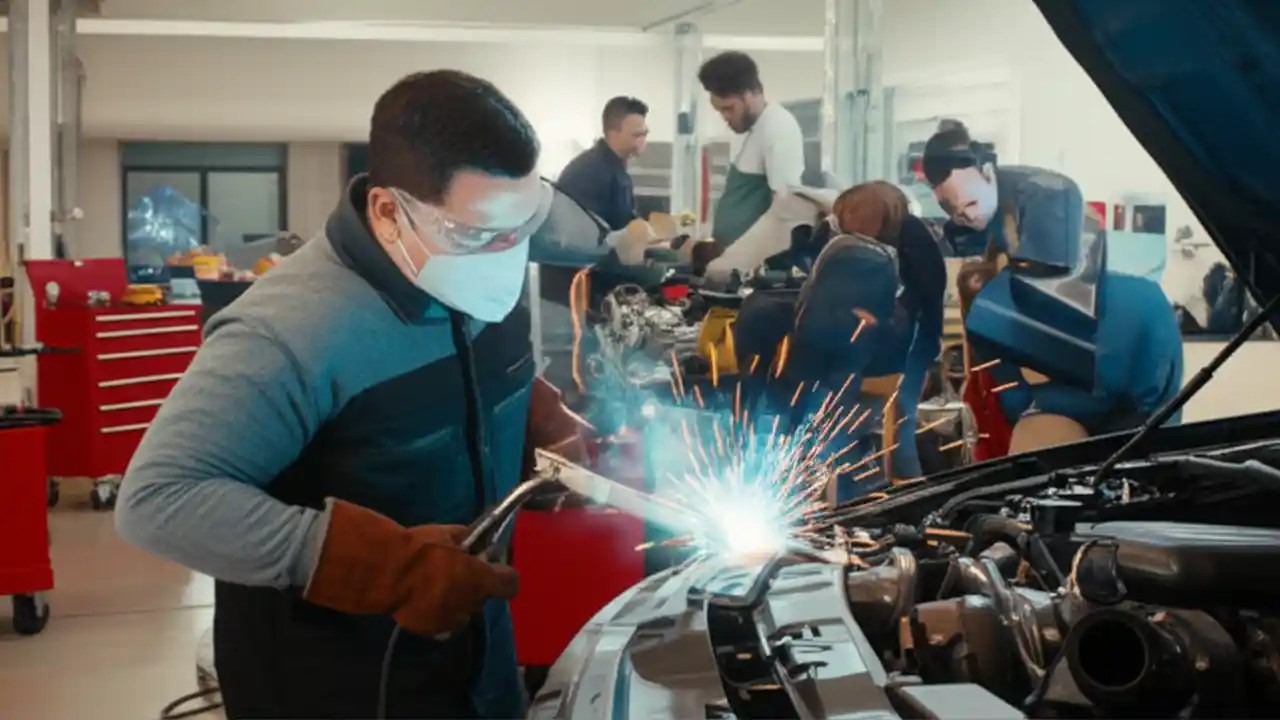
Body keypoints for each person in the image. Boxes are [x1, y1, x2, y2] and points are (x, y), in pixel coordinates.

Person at [115, 70, 593, 719]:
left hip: (477, 662)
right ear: (389, 212)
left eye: (523, 225)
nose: (507, 256)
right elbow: (158, 500)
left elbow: (470, 377)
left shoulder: (488, 277)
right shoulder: (290, 330)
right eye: (480, 235)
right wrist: (391, 568)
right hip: (338, 684)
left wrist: (541, 422)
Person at [925, 123, 1183, 452]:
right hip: (1141, 385)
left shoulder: (1009, 299)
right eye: (958, 213)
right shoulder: (1143, 298)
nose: (966, 217)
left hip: (1060, 405)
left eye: (971, 206)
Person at [698, 51, 805, 247]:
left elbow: (785, 207)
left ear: (752, 92)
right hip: (732, 257)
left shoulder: (777, 127)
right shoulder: (752, 129)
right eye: (720, 110)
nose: (725, 117)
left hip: (754, 262)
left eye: (729, 108)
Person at [556, 96, 650, 231]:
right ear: (613, 134)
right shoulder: (594, 172)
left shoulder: (609, 165)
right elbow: (618, 229)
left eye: (644, 135)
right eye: (636, 136)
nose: (641, 143)